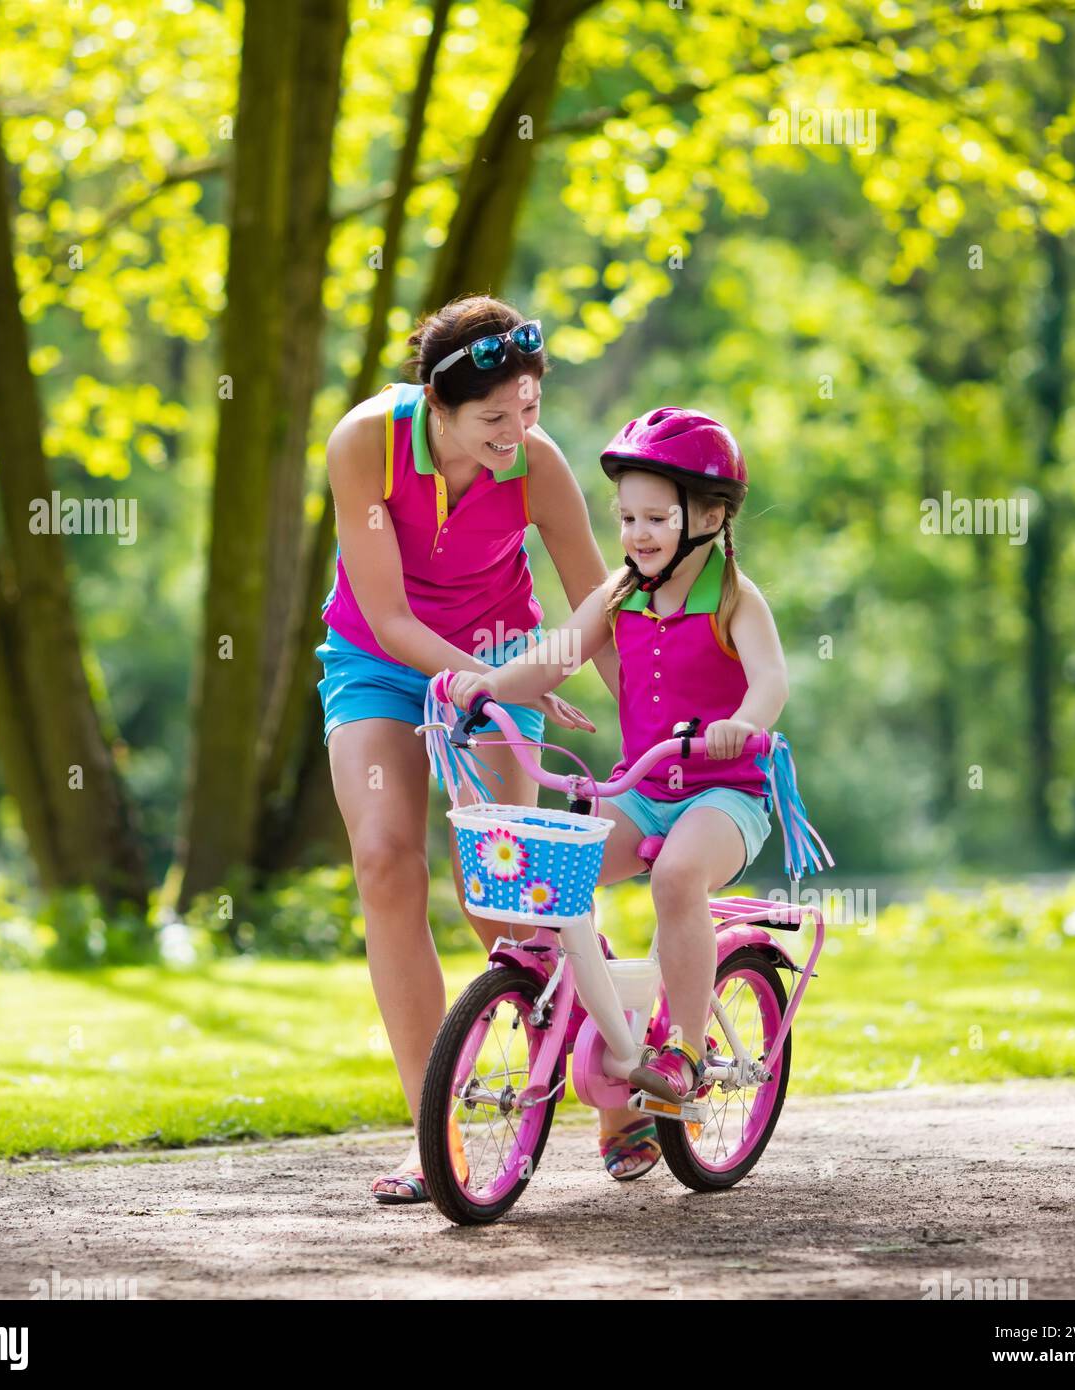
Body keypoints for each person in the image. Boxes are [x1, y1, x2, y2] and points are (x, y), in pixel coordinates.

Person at [318, 295, 644, 1202]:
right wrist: (482, 683)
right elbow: (386, 616)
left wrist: (654, 732)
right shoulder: (364, 443)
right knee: (384, 861)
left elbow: (600, 607)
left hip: (502, 653)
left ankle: (623, 1079)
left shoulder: (536, 468)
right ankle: (438, 1133)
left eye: (531, 409)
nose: (518, 432)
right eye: (496, 418)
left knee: (504, 891)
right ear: (437, 403)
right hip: (381, 664)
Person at [448, 406, 789, 1124]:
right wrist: (488, 686)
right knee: (551, 877)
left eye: (656, 519)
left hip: (725, 794)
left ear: (708, 518)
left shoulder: (733, 597)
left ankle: (687, 1053)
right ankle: (604, 1009)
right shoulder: (621, 594)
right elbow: (557, 654)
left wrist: (740, 726)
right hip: (643, 788)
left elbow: (771, 683)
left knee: (676, 876)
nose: (636, 534)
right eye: (627, 518)